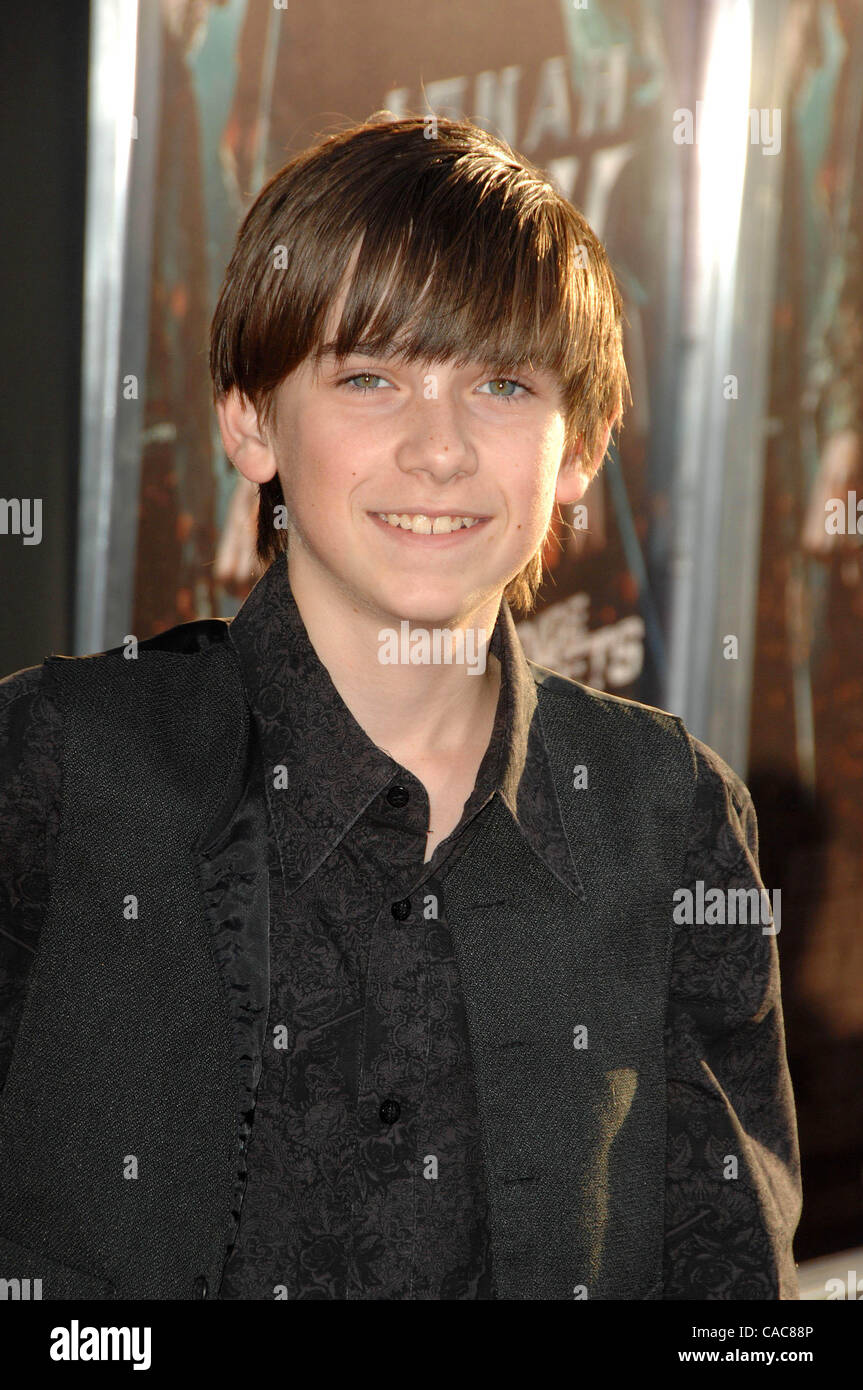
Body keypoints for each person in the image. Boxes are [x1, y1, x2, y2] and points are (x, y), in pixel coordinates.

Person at [0, 114, 801, 1300]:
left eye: (499, 382)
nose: (437, 449)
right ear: (248, 418)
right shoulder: (61, 765)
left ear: (575, 447)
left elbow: (730, 1297)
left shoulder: (665, 811)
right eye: (370, 376)